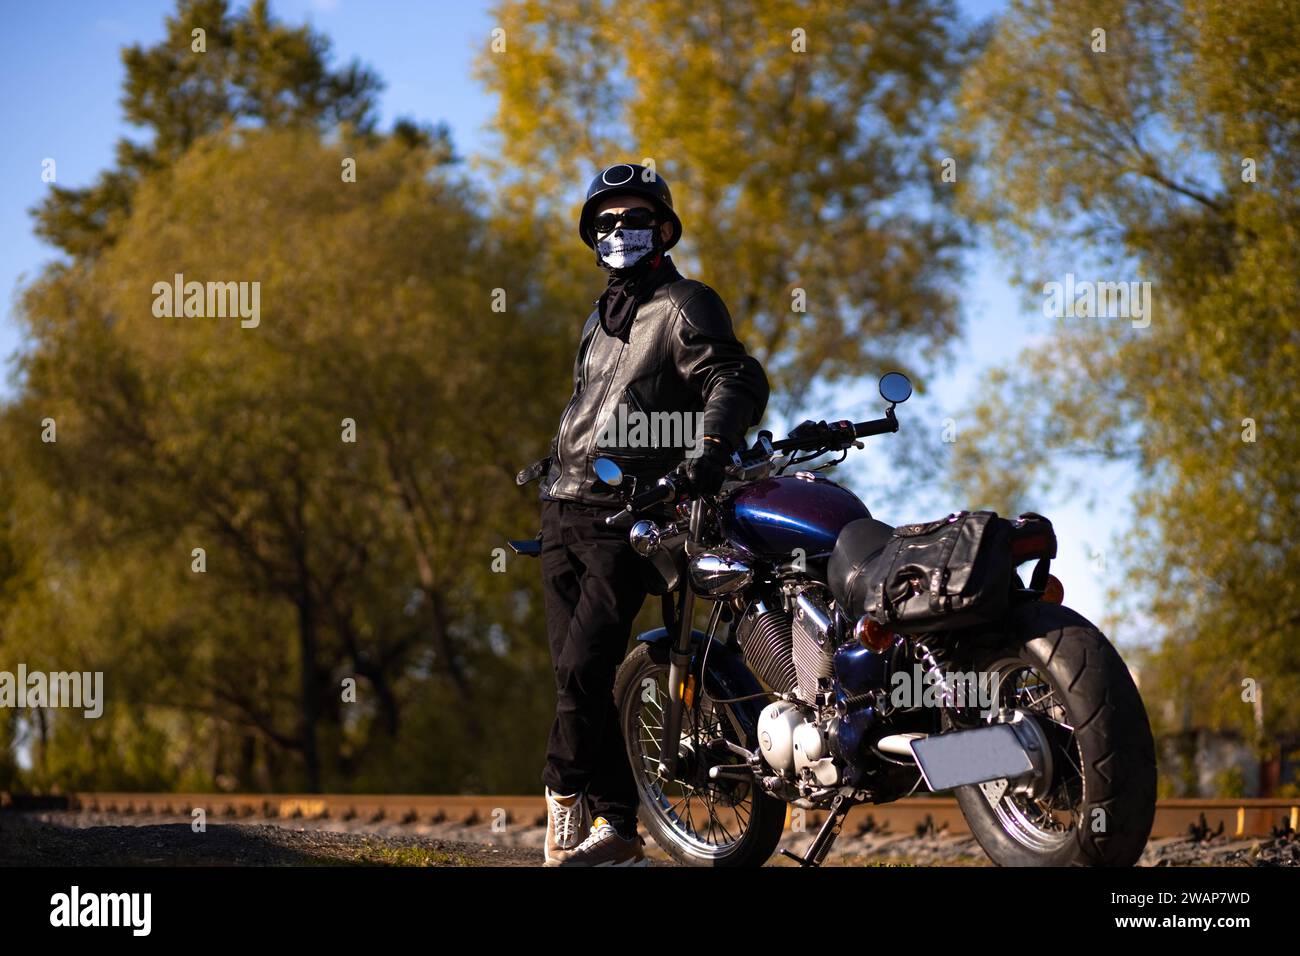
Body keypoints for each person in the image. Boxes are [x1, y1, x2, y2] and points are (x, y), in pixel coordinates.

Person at [516, 162, 770, 866]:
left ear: (662, 228)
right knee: (576, 673)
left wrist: (710, 450)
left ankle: (562, 793)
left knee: (586, 666)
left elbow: (733, 375)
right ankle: (619, 827)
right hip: (561, 508)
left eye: (633, 220)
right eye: (605, 223)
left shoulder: (687, 302)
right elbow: (591, 411)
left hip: (628, 514)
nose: (618, 232)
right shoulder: (600, 321)